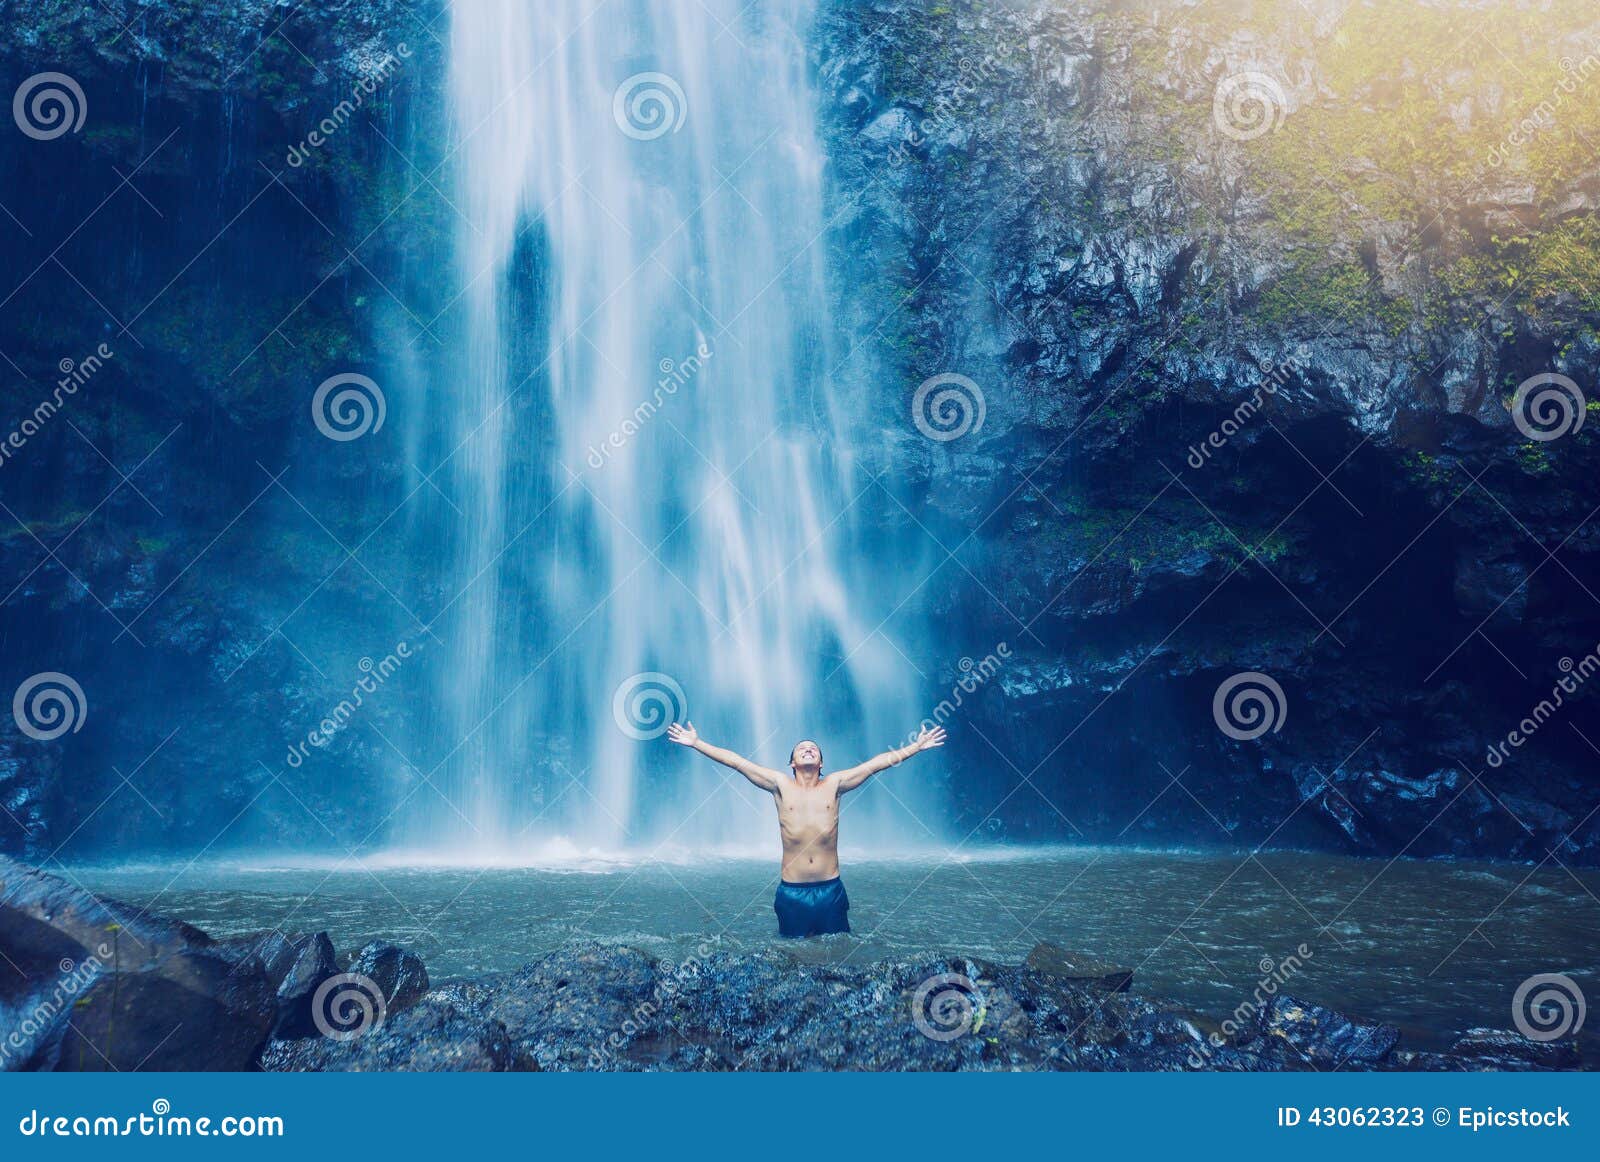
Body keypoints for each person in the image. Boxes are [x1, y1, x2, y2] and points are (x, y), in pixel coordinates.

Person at [665, 721, 946, 937]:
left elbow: (876, 764)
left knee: (837, 954)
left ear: (821, 763)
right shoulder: (779, 784)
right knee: (793, 956)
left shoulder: (835, 784)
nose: (808, 749)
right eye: (802, 748)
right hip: (792, 891)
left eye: (814, 748)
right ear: (792, 763)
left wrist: (915, 747)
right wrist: (697, 743)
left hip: (830, 889)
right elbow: (737, 762)